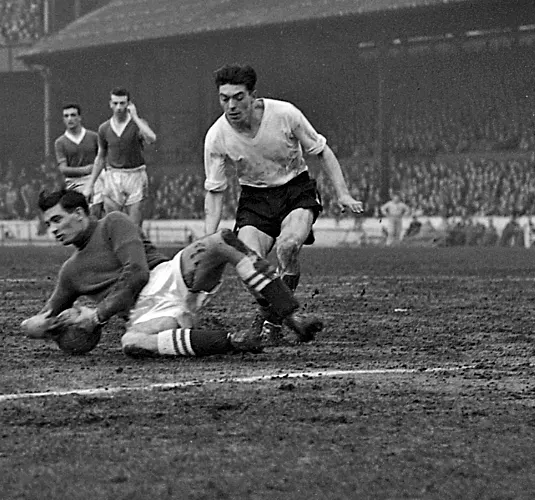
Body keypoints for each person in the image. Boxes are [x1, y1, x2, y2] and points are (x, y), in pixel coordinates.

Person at [21, 186, 322, 357]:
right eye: (49, 224)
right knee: (131, 342)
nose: (53, 230)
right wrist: (49, 326)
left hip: (167, 275)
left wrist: (96, 316)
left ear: (79, 213)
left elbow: (137, 272)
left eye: (57, 220)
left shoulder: (113, 223)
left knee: (222, 241)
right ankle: (234, 341)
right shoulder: (70, 272)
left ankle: (290, 314)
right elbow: (35, 322)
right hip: (145, 314)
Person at [202, 64, 360, 338]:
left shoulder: (285, 114)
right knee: (248, 263)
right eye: (224, 98)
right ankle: (278, 316)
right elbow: (215, 190)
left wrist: (342, 192)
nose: (231, 105)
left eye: (238, 97)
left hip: (295, 190)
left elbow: (321, 151)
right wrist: (208, 238)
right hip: (254, 198)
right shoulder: (216, 136)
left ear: (252, 95)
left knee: (287, 247)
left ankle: (270, 319)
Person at [87, 89, 157, 230]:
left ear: (128, 104)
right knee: (113, 224)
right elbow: (100, 157)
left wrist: (135, 117)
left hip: (135, 174)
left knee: (135, 226)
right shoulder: (104, 128)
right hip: (113, 175)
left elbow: (152, 139)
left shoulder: (137, 124)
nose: (119, 107)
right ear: (110, 104)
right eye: (116, 103)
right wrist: (90, 184)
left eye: (122, 103)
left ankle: (135, 250)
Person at [53, 104, 99, 194]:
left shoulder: (94, 136)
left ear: (79, 117)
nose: (69, 119)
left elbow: (102, 158)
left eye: (73, 115)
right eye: (66, 116)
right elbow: (63, 168)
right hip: (73, 182)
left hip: (95, 180)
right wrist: (84, 170)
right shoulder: (60, 142)